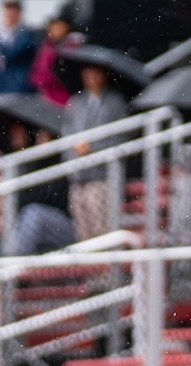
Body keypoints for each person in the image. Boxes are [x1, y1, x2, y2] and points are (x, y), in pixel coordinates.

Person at [64, 63, 130, 239]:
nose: (90, 77)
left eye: (94, 72)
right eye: (86, 72)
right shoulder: (75, 103)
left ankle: (108, 266)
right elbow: (67, 136)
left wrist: (93, 149)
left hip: (103, 178)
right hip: (78, 177)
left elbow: (121, 138)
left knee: (101, 230)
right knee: (82, 232)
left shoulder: (115, 103)